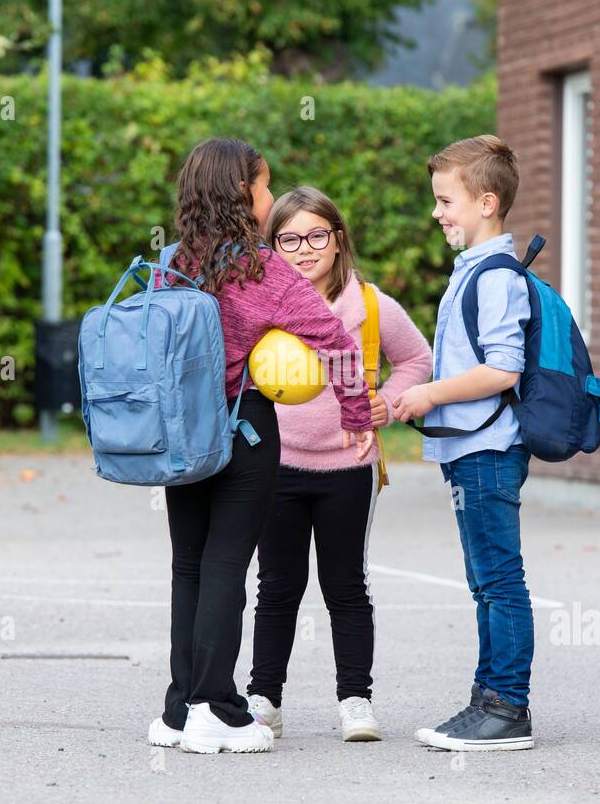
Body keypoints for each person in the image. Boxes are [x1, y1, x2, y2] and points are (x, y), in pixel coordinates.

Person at [146, 139, 375, 755]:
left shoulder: (171, 263)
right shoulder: (260, 269)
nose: (271, 197)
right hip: (243, 430)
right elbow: (336, 340)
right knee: (226, 564)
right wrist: (357, 413)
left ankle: (177, 708)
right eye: (265, 186)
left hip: (179, 432)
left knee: (189, 564)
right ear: (239, 195)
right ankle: (218, 707)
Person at [244, 186, 432, 743]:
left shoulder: (369, 306)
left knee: (345, 585)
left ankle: (355, 700)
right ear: (272, 245)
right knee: (277, 587)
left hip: (349, 468)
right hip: (276, 467)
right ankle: (264, 700)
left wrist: (388, 404)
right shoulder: (260, 303)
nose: (304, 249)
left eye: (316, 235)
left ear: (337, 239)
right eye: (289, 238)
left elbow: (417, 358)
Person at [393, 135, 536, 751]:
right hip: (472, 450)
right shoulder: (474, 271)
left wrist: (428, 395)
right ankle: (489, 699)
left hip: (488, 450)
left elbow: (503, 370)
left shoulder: (496, 278)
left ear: (485, 202)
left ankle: (507, 708)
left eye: (445, 201)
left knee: (500, 580)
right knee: (485, 580)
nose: (437, 214)